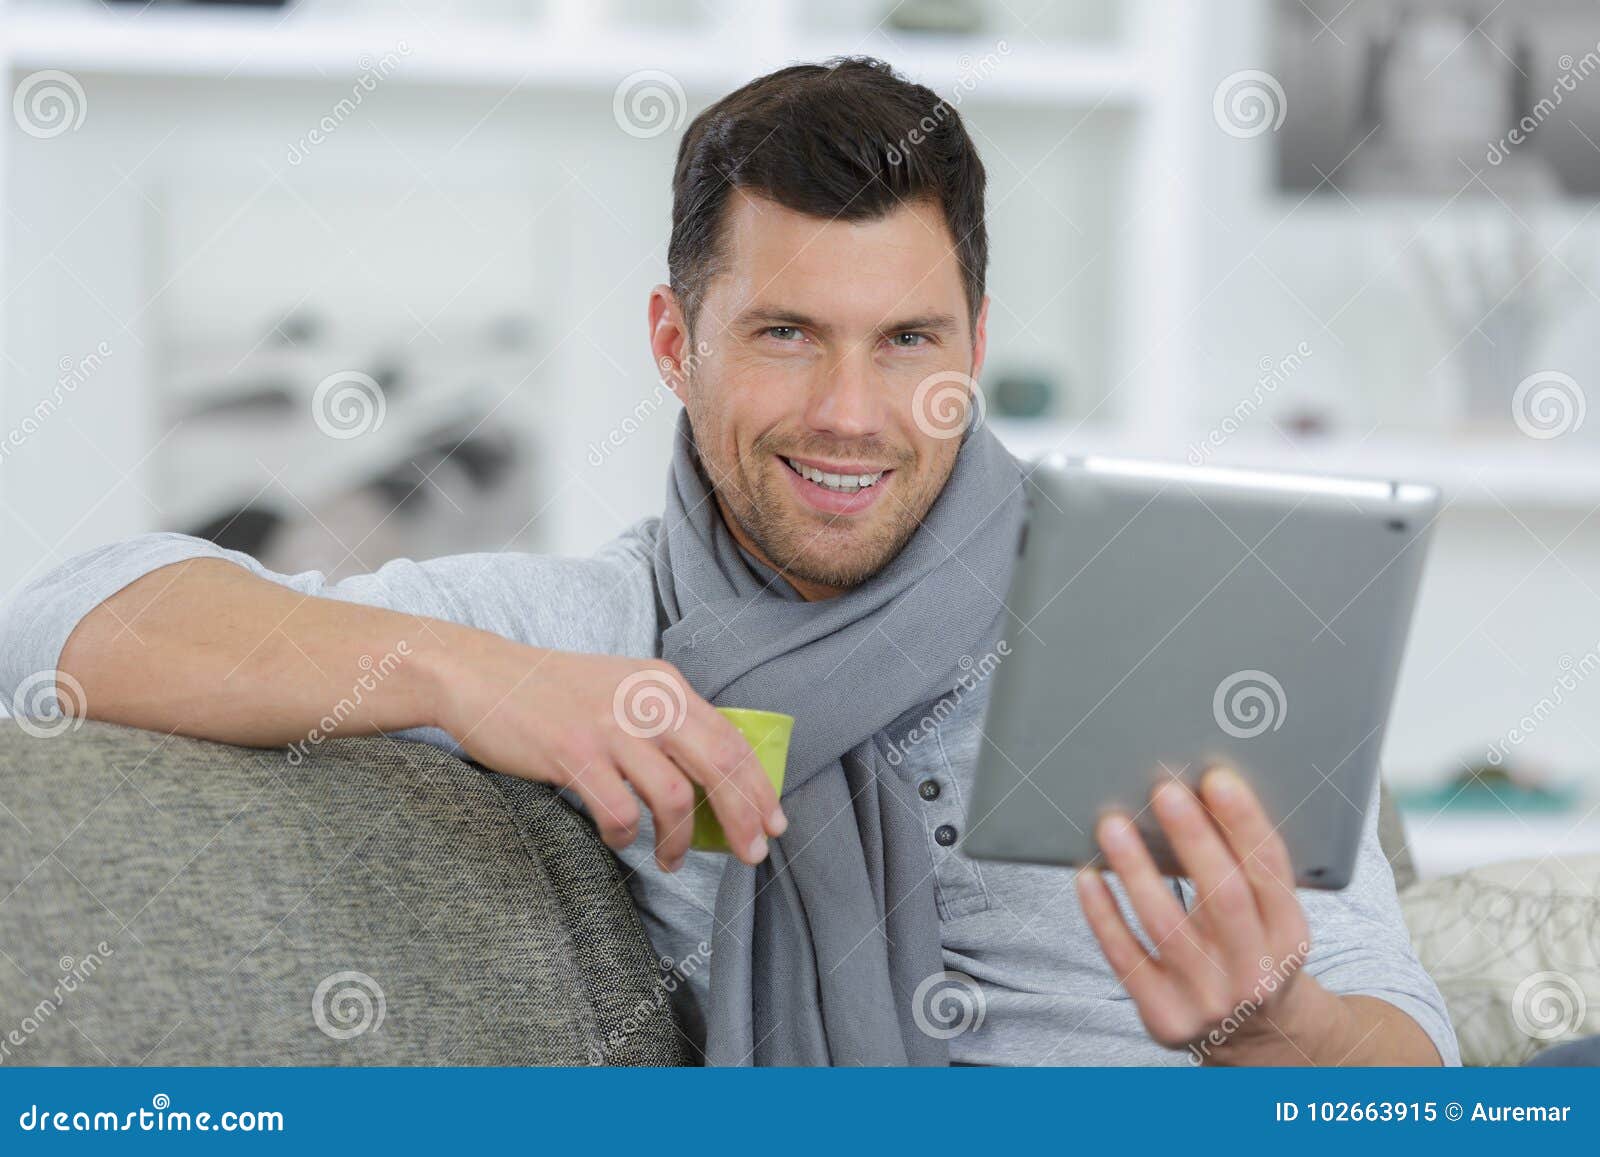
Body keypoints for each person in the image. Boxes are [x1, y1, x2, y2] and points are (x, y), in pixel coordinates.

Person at [0, 57, 1456, 1067]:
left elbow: (1417, 1077)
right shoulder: (588, 635)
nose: (850, 413)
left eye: (908, 341)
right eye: (784, 334)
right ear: (671, 342)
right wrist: (469, 672)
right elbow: (63, 625)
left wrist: (1280, 1033)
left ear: (977, 350)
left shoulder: (1179, 615)